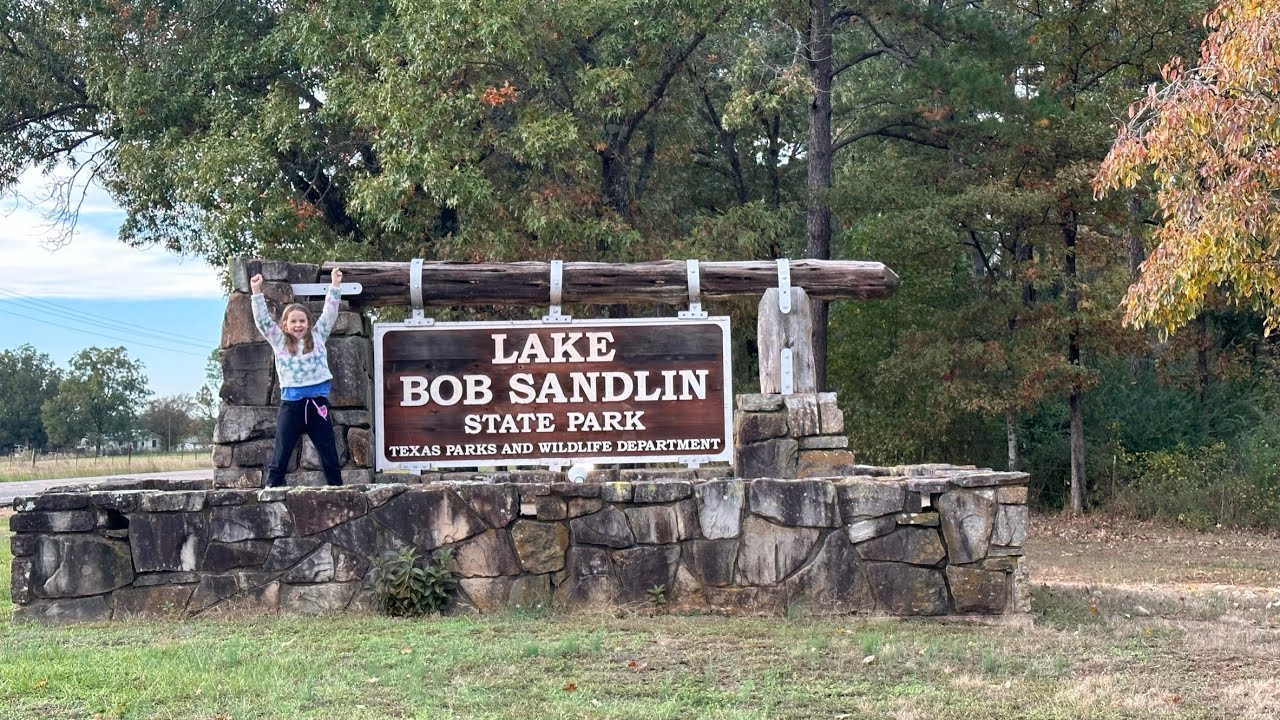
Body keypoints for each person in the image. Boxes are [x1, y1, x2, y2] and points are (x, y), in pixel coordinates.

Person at [250, 268, 345, 486]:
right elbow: (263, 321)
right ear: (284, 325)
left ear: (309, 323)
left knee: (328, 452)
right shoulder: (279, 341)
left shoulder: (319, 335)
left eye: (302, 321)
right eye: (293, 321)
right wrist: (256, 291)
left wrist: (335, 285)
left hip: (317, 405)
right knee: (281, 452)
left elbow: (330, 312)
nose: (298, 325)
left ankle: (338, 490)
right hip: (291, 406)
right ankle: (272, 488)